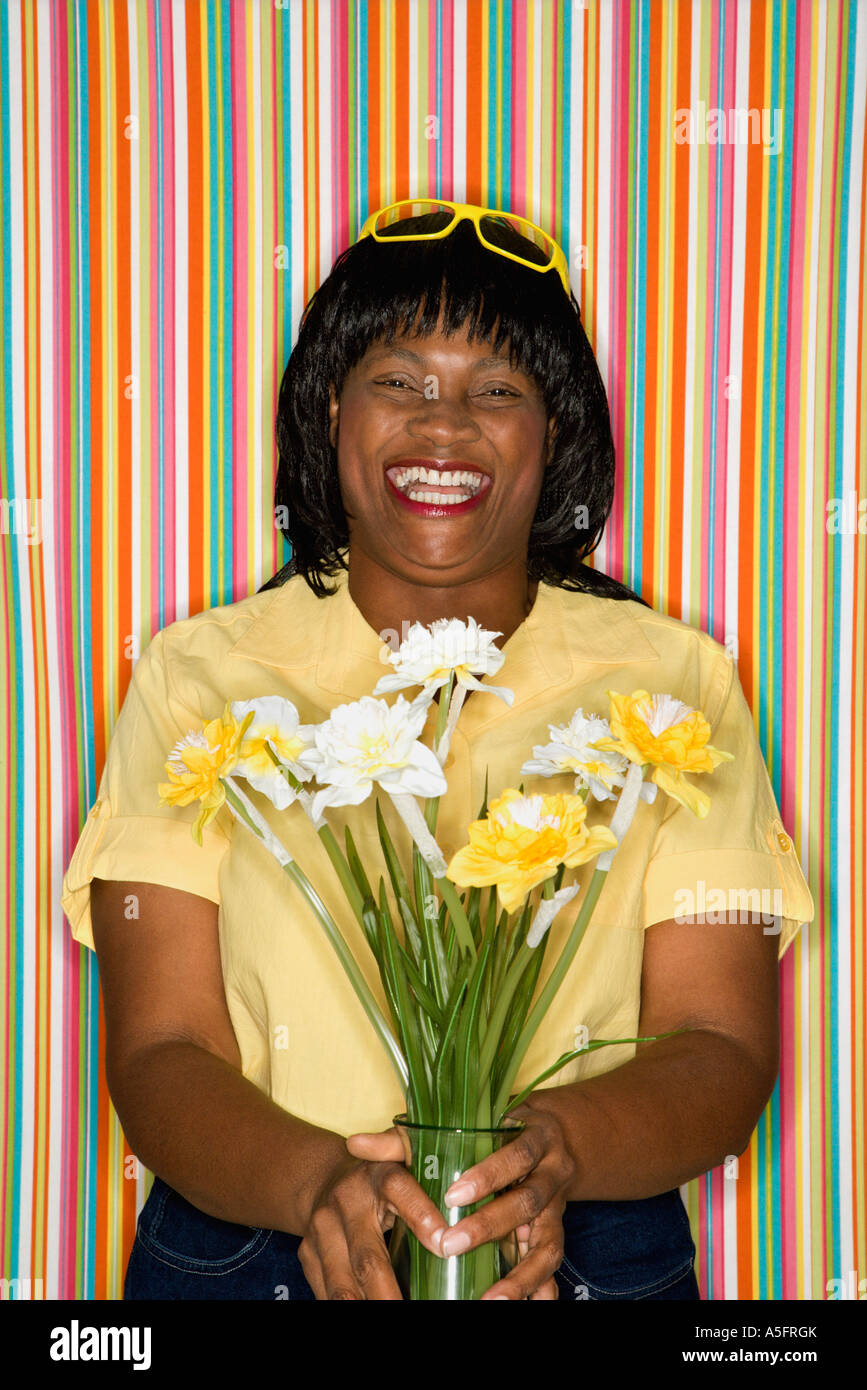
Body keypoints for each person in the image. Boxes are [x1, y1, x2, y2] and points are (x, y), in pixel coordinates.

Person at [61, 201, 815, 1301]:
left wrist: (553, 1151)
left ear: (554, 432)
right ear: (330, 411)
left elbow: (720, 1038)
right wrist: (319, 1184)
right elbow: (161, 1044)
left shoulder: (675, 685)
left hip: (582, 1244)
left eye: (497, 390)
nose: (443, 425)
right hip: (255, 1238)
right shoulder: (197, 678)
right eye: (400, 380)